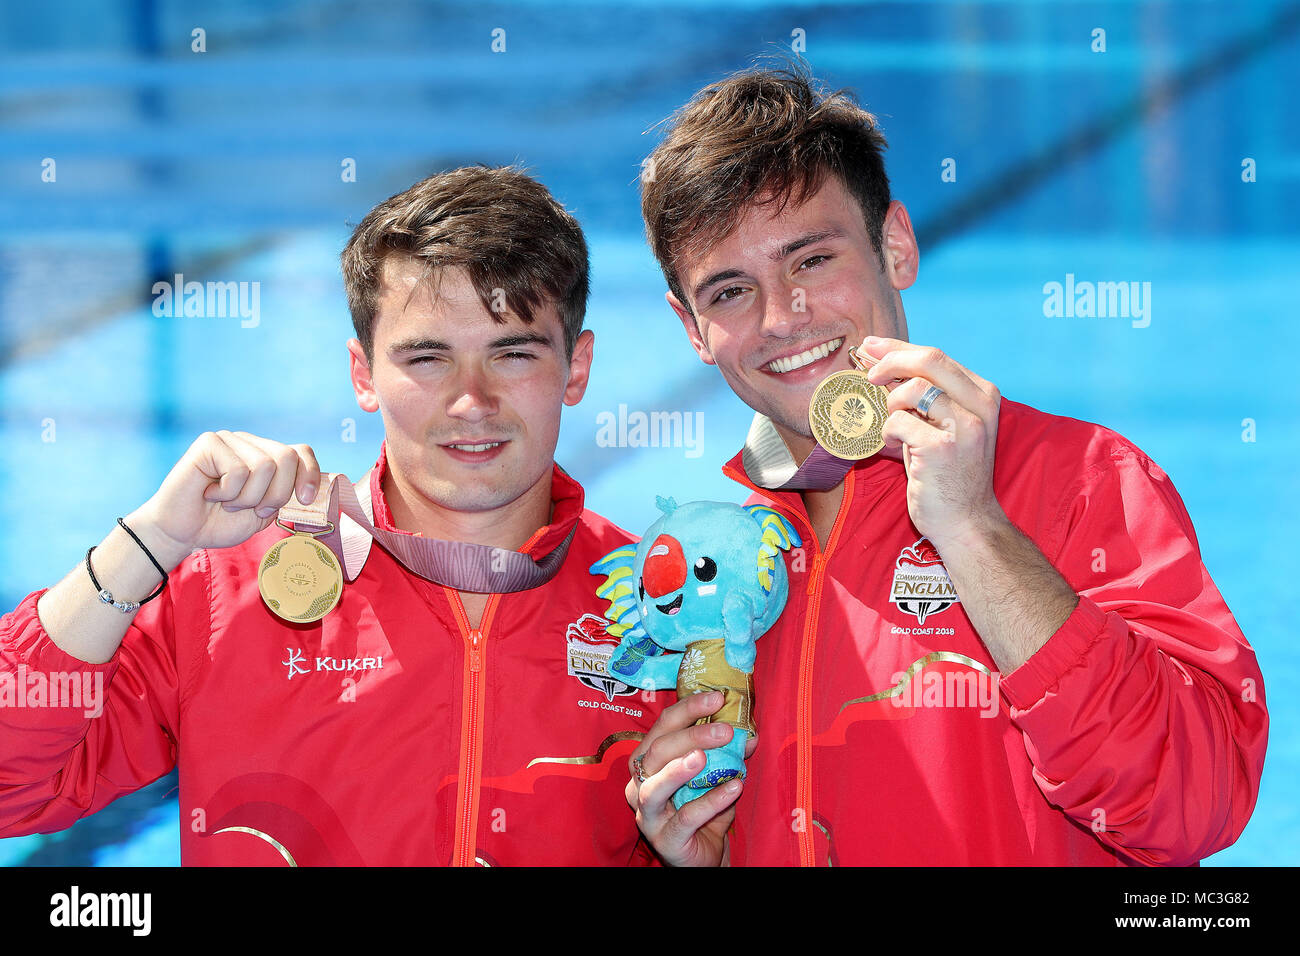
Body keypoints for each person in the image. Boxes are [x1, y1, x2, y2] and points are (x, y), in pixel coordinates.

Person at [625, 64, 1268, 866]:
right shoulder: (705, 565)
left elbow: (1190, 804)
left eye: (812, 260)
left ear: (894, 245)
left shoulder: (1084, 478)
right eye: (728, 292)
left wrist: (975, 529)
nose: (783, 318)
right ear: (690, 329)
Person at [0, 166, 663, 866]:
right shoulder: (229, 593)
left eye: (513, 353)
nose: (472, 400)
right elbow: (12, 787)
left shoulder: (660, 615)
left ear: (577, 367)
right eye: (428, 358)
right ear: (363, 375)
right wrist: (150, 541)